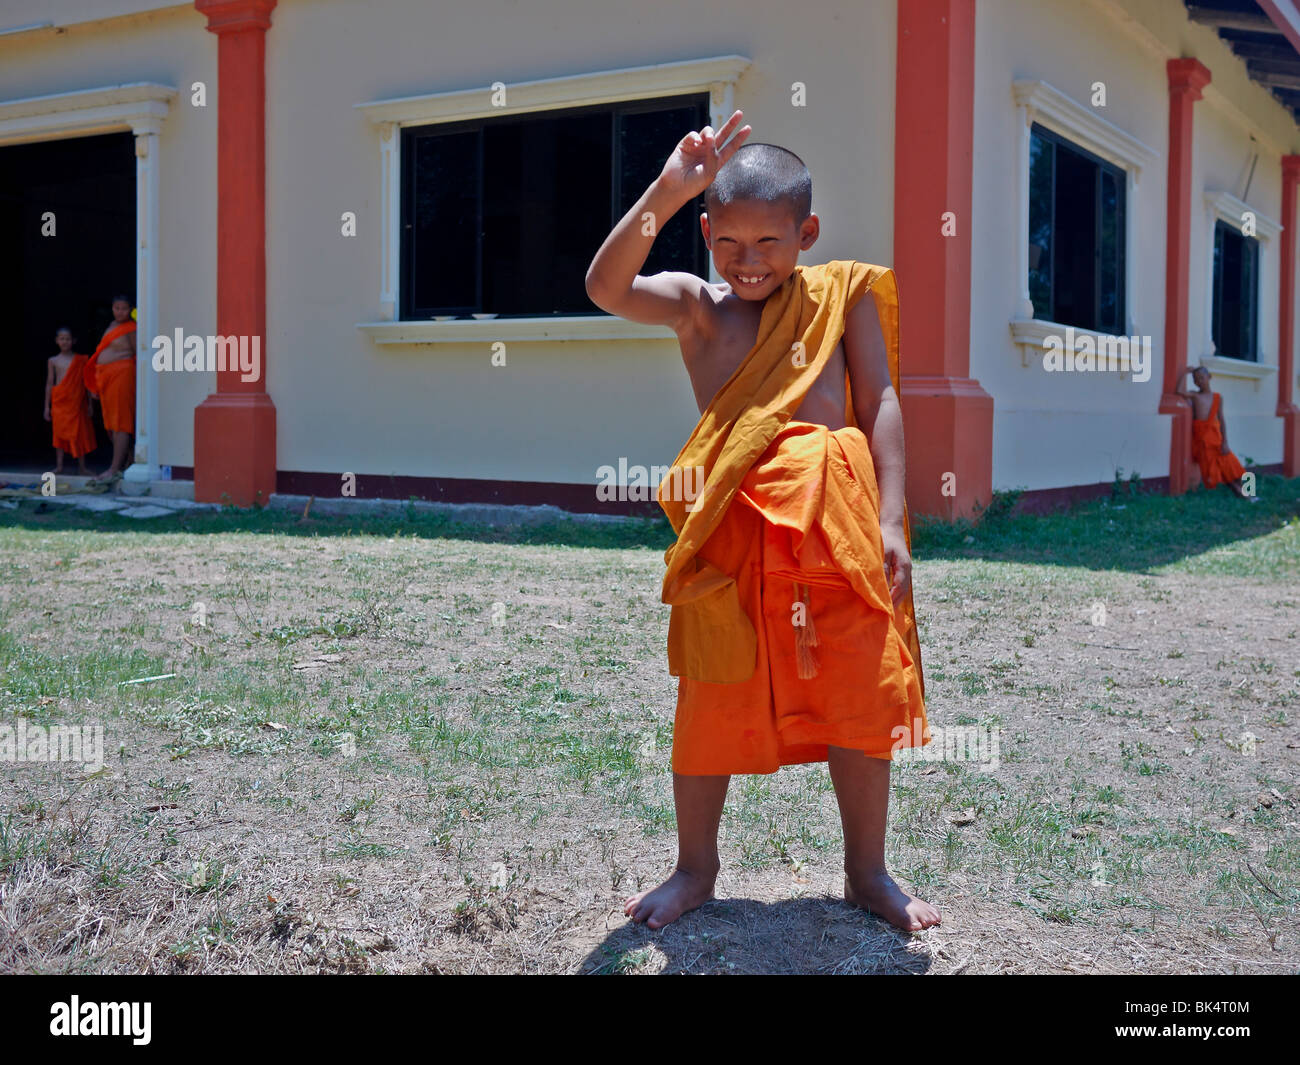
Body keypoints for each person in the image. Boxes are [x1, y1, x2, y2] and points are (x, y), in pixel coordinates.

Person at [585, 111, 938, 932]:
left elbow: (880, 399)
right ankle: (694, 867)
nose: (747, 264)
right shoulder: (699, 309)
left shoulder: (842, 295)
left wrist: (891, 519)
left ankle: (868, 870)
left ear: (806, 231)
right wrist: (671, 187)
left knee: (857, 686)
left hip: (839, 534)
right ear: (706, 234)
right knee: (713, 692)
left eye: (769, 244)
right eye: (729, 244)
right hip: (735, 536)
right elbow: (606, 287)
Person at [1177, 365, 1256, 501]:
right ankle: (1244, 496)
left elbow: (1222, 420)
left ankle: (1250, 493)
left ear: (1209, 377)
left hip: (1217, 440)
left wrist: (1225, 442)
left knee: (1233, 468)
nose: (1199, 381)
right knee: (1220, 473)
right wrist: (1184, 373)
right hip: (1204, 441)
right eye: (1196, 379)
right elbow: (1179, 391)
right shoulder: (1195, 396)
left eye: (1202, 378)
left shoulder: (1218, 398)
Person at [83, 295, 137, 483]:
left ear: (131, 309)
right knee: (110, 424)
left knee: (121, 422)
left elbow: (138, 354)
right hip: (106, 377)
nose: (119, 312)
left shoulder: (131, 328)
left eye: (124, 308)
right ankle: (127, 462)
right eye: (116, 308)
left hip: (122, 375)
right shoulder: (111, 326)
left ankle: (114, 468)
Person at [44, 326, 96, 475]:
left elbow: (87, 383)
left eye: (67, 339)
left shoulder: (81, 360)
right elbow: (49, 383)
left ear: (73, 341)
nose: (65, 341)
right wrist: (46, 407)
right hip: (60, 401)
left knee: (79, 433)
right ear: (57, 341)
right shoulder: (53, 361)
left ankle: (82, 466)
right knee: (59, 434)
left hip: (77, 401)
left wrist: (90, 404)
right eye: (62, 339)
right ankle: (59, 466)